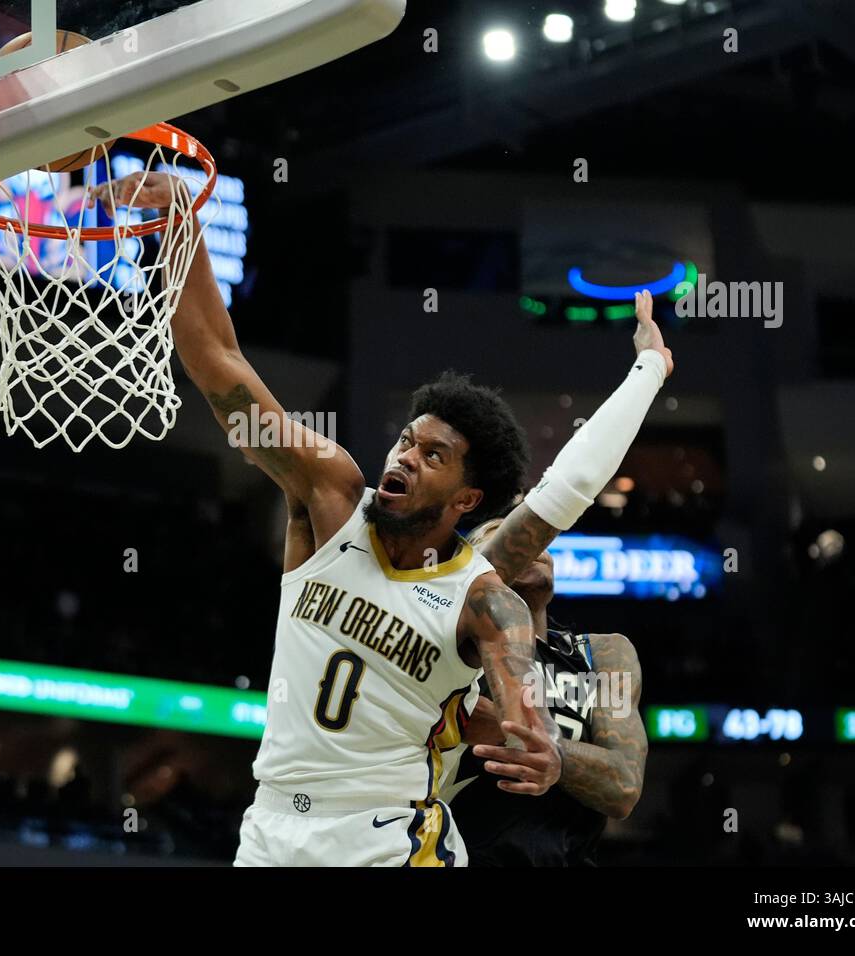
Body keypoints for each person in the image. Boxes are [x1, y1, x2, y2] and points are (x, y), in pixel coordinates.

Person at [88, 172, 672, 866]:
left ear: (466, 500)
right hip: (271, 828)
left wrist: (539, 749)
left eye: (435, 455)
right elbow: (221, 366)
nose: (407, 456)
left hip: (389, 842)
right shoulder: (330, 496)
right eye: (407, 441)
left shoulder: (486, 598)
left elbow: (527, 709)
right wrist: (178, 229)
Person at [445, 547, 647, 865]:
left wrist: (522, 736)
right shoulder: (453, 648)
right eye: (505, 530)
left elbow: (624, 785)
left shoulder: (605, 655)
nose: (535, 544)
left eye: (544, 536)